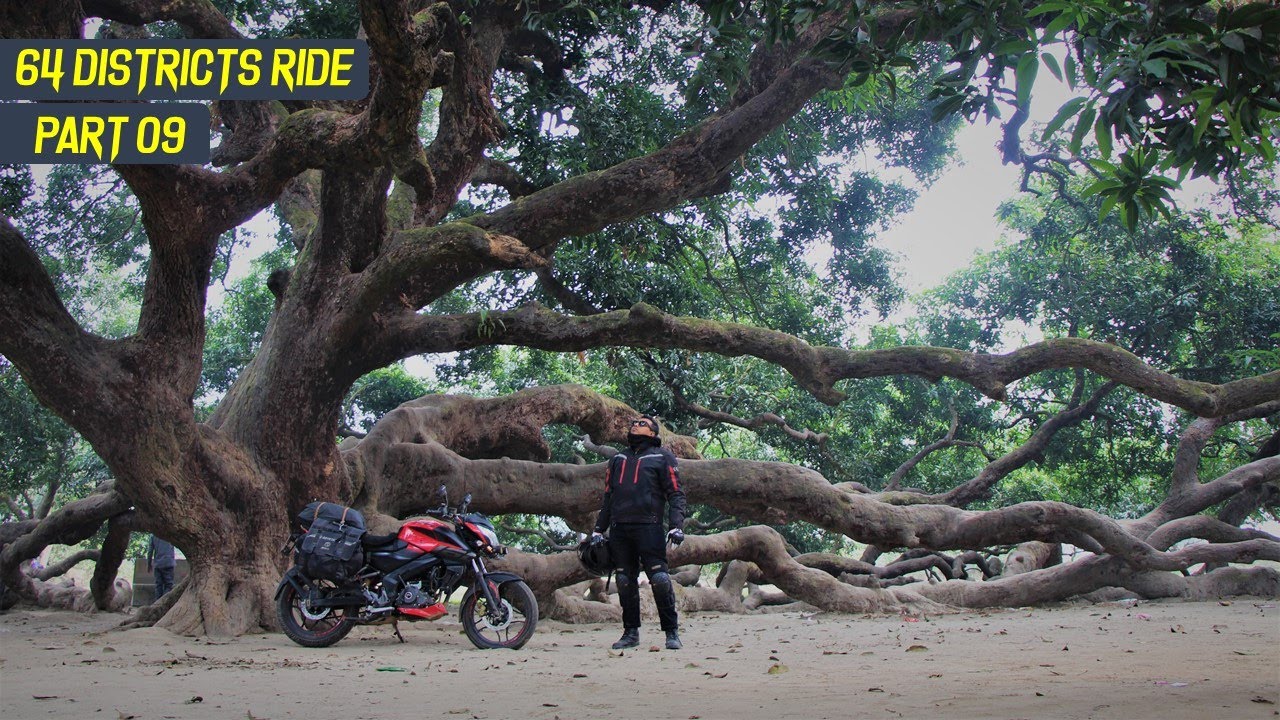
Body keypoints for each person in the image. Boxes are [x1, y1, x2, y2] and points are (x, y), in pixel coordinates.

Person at [592, 415, 687, 650]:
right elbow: (608, 498)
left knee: (660, 579)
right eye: (634, 422)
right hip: (619, 529)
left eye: (642, 423)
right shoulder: (617, 459)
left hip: (650, 527)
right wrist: (597, 530)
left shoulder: (663, 457)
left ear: (654, 433)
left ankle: (671, 633)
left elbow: (676, 494)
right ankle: (630, 633)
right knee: (624, 580)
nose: (636, 424)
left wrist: (677, 526)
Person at [146, 534, 176, 600]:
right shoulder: (170, 533)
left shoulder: (153, 535)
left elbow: (150, 551)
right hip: (169, 562)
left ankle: (158, 603)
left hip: (158, 564)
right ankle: (164, 602)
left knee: (158, 585)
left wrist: (149, 564)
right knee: (169, 585)